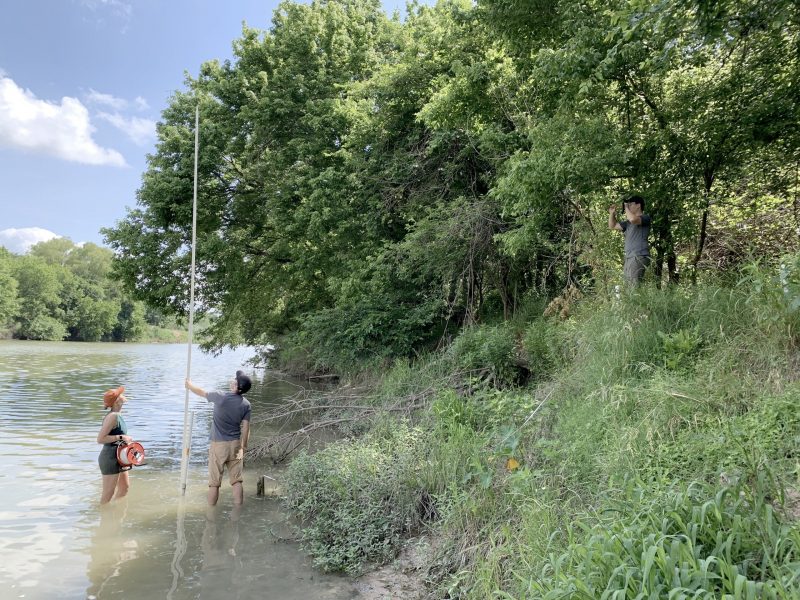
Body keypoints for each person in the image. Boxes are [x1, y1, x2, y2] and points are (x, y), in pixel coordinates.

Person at [185, 371, 252, 506]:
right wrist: (243, 448)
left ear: (237, 387)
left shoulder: (221, 396)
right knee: (237, 480)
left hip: (219, 445)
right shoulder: (246, 404)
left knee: (214, 483)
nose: (232, 381)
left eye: (235, 380)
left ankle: (211, 516)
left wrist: (189, 385)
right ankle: (238, 511)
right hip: (236, 445)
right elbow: (246, 428)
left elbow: (202, 392)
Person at [96, 386, 134, 504]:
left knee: (124, 488)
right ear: (117, 401)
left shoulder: (118, 415)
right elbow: (100, 439)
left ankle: (116, 516)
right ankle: (103, 516)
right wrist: (121, 437)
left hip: (120, 456)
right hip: (110, 457)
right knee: (108, 494)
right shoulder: (113, 417)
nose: (123, 395)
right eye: (120, 394)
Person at [609, 194, 651, 284]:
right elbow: (612, 226)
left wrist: (625, 206)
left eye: (631, 204)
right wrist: (612, 213)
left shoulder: (645, 218)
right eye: (628, 205)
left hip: (639, 256)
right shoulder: (627, 223)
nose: (629, 206)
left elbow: (633, 219)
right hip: (629, 257)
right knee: (628, 290)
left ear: (638, 205)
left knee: (634, 288)